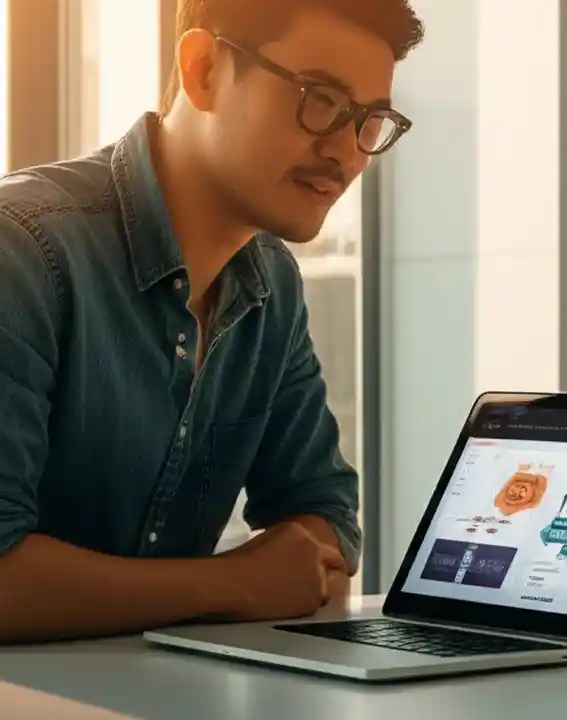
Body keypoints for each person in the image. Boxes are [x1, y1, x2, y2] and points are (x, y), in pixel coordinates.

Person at [0, 0, 423, 643]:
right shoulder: (24, 252)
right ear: (201, 70)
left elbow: (326, 518)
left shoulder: (270, 284)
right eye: (320, 99)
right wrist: (233, 585)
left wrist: (277, 569)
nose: (345, 151)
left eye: (370, 121)